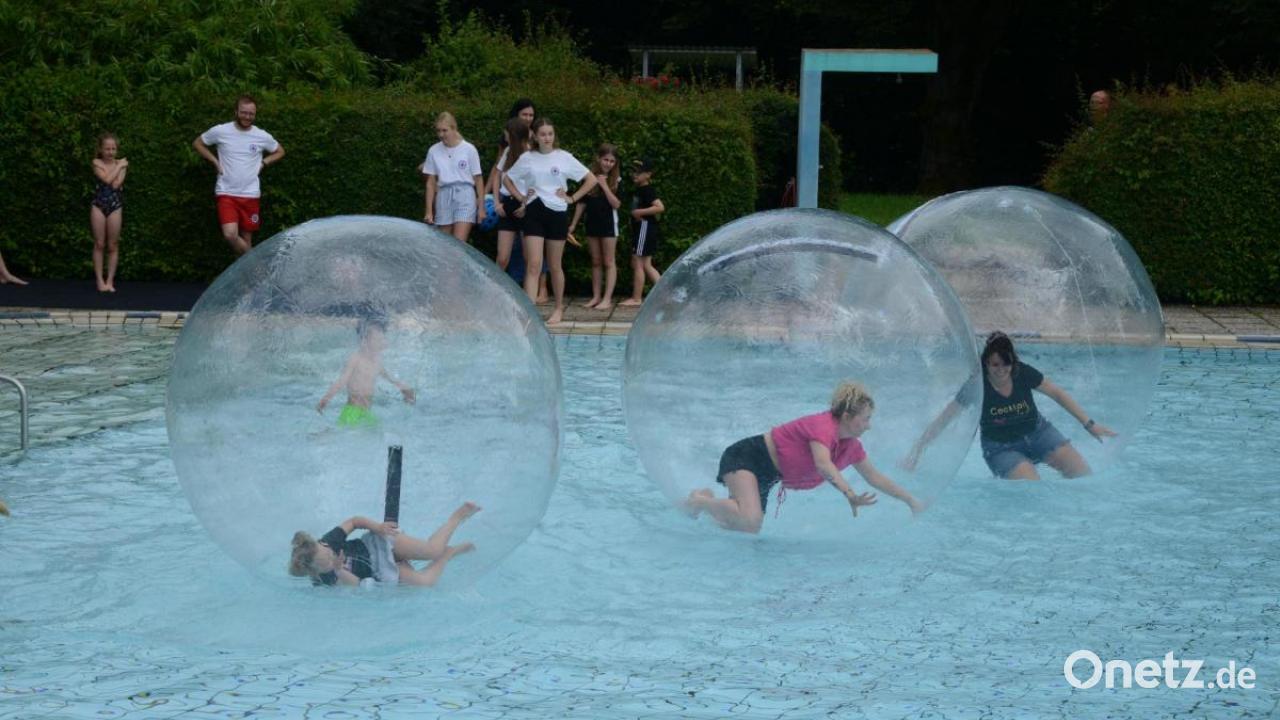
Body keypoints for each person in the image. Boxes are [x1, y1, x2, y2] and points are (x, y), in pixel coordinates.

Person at [684, 381, 924, 534]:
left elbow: (875, 477)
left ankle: (707, 501)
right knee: (751, 521)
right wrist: (849, 494)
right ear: (848, 416)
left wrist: (910, 500)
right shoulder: (823, 426)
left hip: (768, 475)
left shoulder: (851, 446)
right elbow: (822, 463)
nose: (868, 426)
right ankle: (699, 501)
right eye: (866, 418)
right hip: (748, 456)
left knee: (746, 529)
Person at [901, 331, 1116, 480]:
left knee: (1083, 476)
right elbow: (945, 418)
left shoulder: (1021, 372)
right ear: (986, 363)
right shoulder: (977, 386)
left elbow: (1057, 393)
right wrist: (918, 449)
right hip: (1002, 448)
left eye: (1006, 363)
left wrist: (1089, 424)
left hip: (1039, 434)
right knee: (1032, 490)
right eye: (995, 364)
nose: (1001, 370)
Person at [503, 117, 598, 325]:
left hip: (557, 212)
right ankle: (530, 314)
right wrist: (521, 198)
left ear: (554, 135)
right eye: (543, 134)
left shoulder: (564, 157)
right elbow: (506, 178)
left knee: (555, 265)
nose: (547, 138)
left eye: (550, 134)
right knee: (534, 265)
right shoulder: (527, 158)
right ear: (535, 136)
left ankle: (558, 309)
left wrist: (572, 198)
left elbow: (591, 179)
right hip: (534, 211)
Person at [289, 502, 480, 587]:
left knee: (432, 550)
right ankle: (449, 554)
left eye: (328, 552)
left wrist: (378, 527)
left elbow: (355, 521)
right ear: (314, 570)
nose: (331, 555)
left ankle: (456, 518)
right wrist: (339, 570)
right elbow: (355, 585)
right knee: (424, 583)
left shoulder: (329, 540)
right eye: (327, 561)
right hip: (382, 571)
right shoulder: (324, 580)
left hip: (379, 544)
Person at [192, 95, 285, 255]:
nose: (247, 117)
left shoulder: (261, 135)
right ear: (236, 112)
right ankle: (256, 264)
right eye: (244, 113)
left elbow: (280, 151)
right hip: (226, 192)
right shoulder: (221, 131)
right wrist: (215, 161)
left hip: (250, 194)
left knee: (245, 241)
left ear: (255, 115)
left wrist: (264, 163)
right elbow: (198, 143)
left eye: (251, 114)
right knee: (230, 235)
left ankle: (248, 278)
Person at [317, 319, 416, 428]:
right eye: (378, 339)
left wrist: (404, 388)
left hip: (367, 412)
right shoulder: (355, 359)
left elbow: (389, 377)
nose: (382, 342)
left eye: (382, 339)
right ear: (365, 341)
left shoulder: (377, 361)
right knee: (343, 434)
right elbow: (342, 381)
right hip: (352, 411)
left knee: (377, 433)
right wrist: (326, 399)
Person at [569, 144, 623, 311]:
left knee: (608, 261)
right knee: (596, 261)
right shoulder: (589, 177)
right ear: (598, 159)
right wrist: (573, 225)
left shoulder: (617, 180)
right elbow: (581, 203)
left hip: (608, 224)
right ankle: (596, 296)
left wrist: (605, 186)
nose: (608, 164)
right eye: (605, 160)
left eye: (612, 161)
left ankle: (607, 299)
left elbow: (616, 204)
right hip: (592, 223)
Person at [422, 112, 484, 243]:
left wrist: (482, 208)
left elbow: (478, 179)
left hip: (465, 196)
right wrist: (429, 211)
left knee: (458, 245)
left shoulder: (469, 149)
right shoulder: (433, 150)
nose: (441, 135)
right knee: (445, 246)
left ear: (454, 128)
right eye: (438, 131)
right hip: (443, 195)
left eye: (445, 130)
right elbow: (430, 183)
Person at [620, 158, 663, 306]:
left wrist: (639, 212)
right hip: (643, 228)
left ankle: (636, 298)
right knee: (646, 264)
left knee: (637, 263)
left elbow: (659, 207)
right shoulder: (640, 189)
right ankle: (664, 292)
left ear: (648, 175)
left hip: (645, 227)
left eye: (639, 172)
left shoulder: (647, 190)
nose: (634, 175)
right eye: (633, 171)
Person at [492, 117, 532, 271]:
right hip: (506, 204)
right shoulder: (508, 151)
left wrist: (525, 204)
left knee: (529, 257)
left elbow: (535, 184)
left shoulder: (530, 155)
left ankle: (531, 293)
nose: (505, 136)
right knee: (502, 258)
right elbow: (497, 175)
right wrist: (496, 202)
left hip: (525, 207)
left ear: (514, 135)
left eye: (507, 134)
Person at [90, 132, 127, 292]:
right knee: (99, 243)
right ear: (101, 149)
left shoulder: (123, 164)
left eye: (113, 149)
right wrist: (119, 166)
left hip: (115, 205)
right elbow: (106, 180)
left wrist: (120, 166)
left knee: (112, 245)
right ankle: (99, 280)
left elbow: (116, 185)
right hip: (98, 204)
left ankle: (109, 281)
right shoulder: (96, 162)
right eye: (107, 149)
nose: (111, 152)